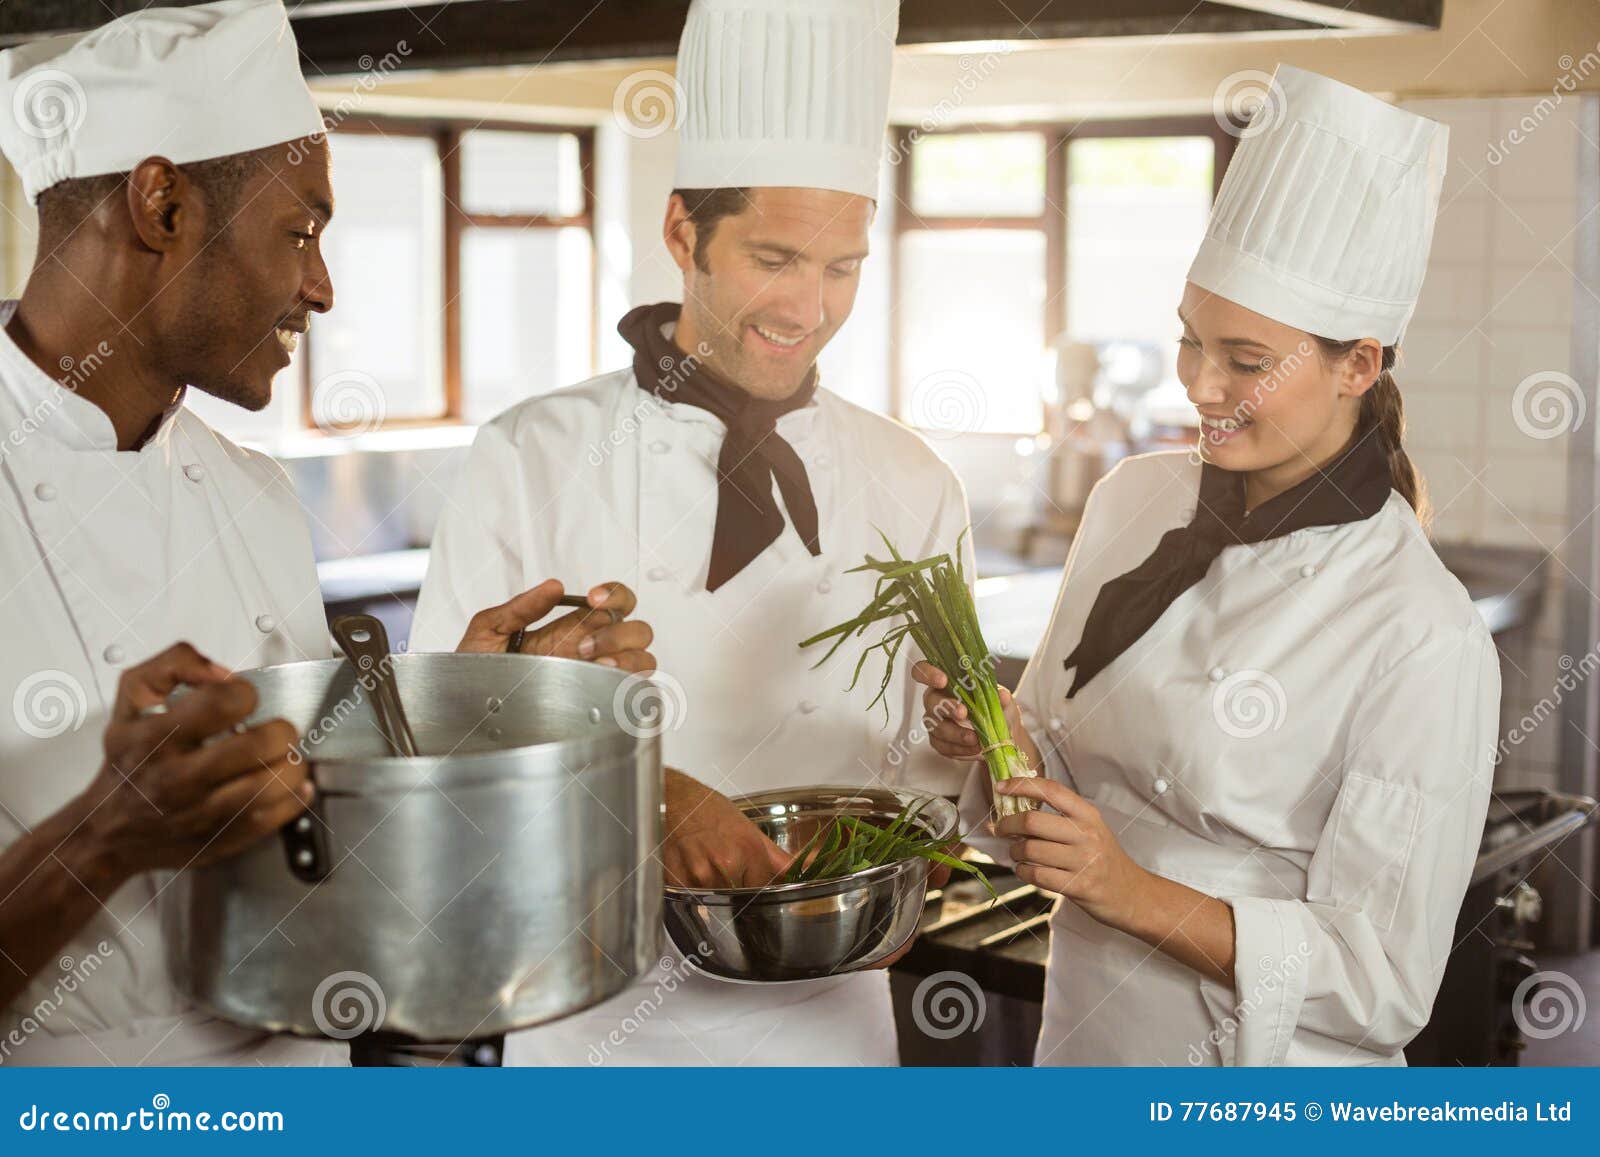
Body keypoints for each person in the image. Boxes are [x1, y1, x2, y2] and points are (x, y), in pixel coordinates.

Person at [0, 0, 651, 1066]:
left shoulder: (248, 493)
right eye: (300, 228)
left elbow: (314, 843)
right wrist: (103, 834)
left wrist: (458, 713)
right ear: (161, 205)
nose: (323, 284)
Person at [411, 0, 968, 1065]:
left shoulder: (915, 480)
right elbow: (439, 761)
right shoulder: (528, 455)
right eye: (773, 256)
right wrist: (646, 792)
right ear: (682, 233)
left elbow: (934, 794)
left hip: (832, 1032)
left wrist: (963, 747)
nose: (808, 306)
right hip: (594, 1028)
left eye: (842, 266)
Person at [916, 64, 1498, 1066]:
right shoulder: (1133, 500)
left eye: (1244, 358)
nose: (1199, 386)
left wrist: (1123, 884)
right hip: (1086, 1035)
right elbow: (1059, 764)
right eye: (1189, 343)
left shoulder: (1420, 631)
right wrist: (994, 744)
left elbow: (1381, 979)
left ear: (1357, 364)